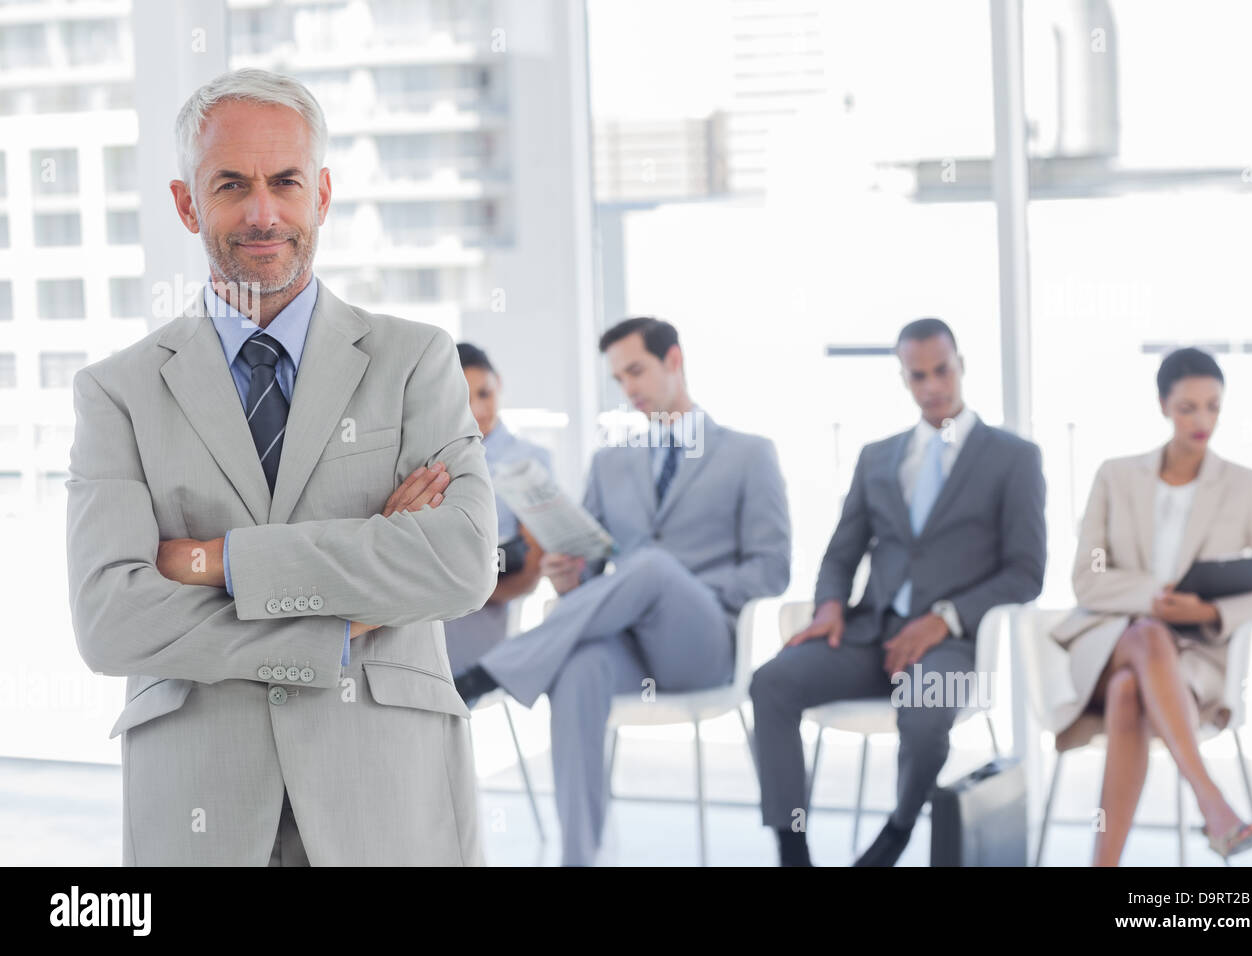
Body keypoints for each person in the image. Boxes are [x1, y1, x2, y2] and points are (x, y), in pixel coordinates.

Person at [64, 68, 498, 865]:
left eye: (285, 182)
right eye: (231, 184)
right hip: (202, 801)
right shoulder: (116, 394)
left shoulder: (414, 362)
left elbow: (462, 563)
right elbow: (110, 619)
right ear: (187, 203)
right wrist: (340, 621)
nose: (263, 213)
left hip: (385, 791)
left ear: (322, 194)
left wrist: (214, 560)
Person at [453, 316, 792, 865]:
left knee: (653, 567)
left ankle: (491, 671)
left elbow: (772, 569)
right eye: (618, 378)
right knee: (580, 669)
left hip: (701, 642)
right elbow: (590, 568)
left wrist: (678, 587)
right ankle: (578, 856)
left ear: (674, 360)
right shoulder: (609, 463)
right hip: (627, 644)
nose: (629, 388)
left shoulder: (749, 454)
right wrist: (568, 575)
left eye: (636, 370)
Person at [750, 317, 1046, 867]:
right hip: (869, 634)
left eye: (942, 370)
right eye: (918, 376)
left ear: (961, 366)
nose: (933, 385)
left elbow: (1026, 571)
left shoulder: (1013, 458)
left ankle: (898, 830)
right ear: (904, 380)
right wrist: (832, 606)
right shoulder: (877, 457)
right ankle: (793, 848)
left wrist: (945, 619)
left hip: (950, 646)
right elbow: (842, 551)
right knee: (770, 682)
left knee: (926, 707)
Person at [1047, 346, 1252, 865]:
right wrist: (1153, 599)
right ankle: (1212, 802)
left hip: (1194, 658)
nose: (1202, 420)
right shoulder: (1115, 477)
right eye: (1188, 407)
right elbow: (1087, 576)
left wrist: (1209, 613)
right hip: (1107, 642)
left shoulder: (1247, 487)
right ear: (1163, 405)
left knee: (1128, 695)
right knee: (1143, 635)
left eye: (1213, 406)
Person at [443, 343, 552, 672]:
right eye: (465, 399)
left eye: (485, 394)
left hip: (484, 610)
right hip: (432, 602)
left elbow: (532, 574)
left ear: (499, 385)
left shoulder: (531, 461)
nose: (477, 410)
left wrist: (463, 590)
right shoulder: (435, 457)